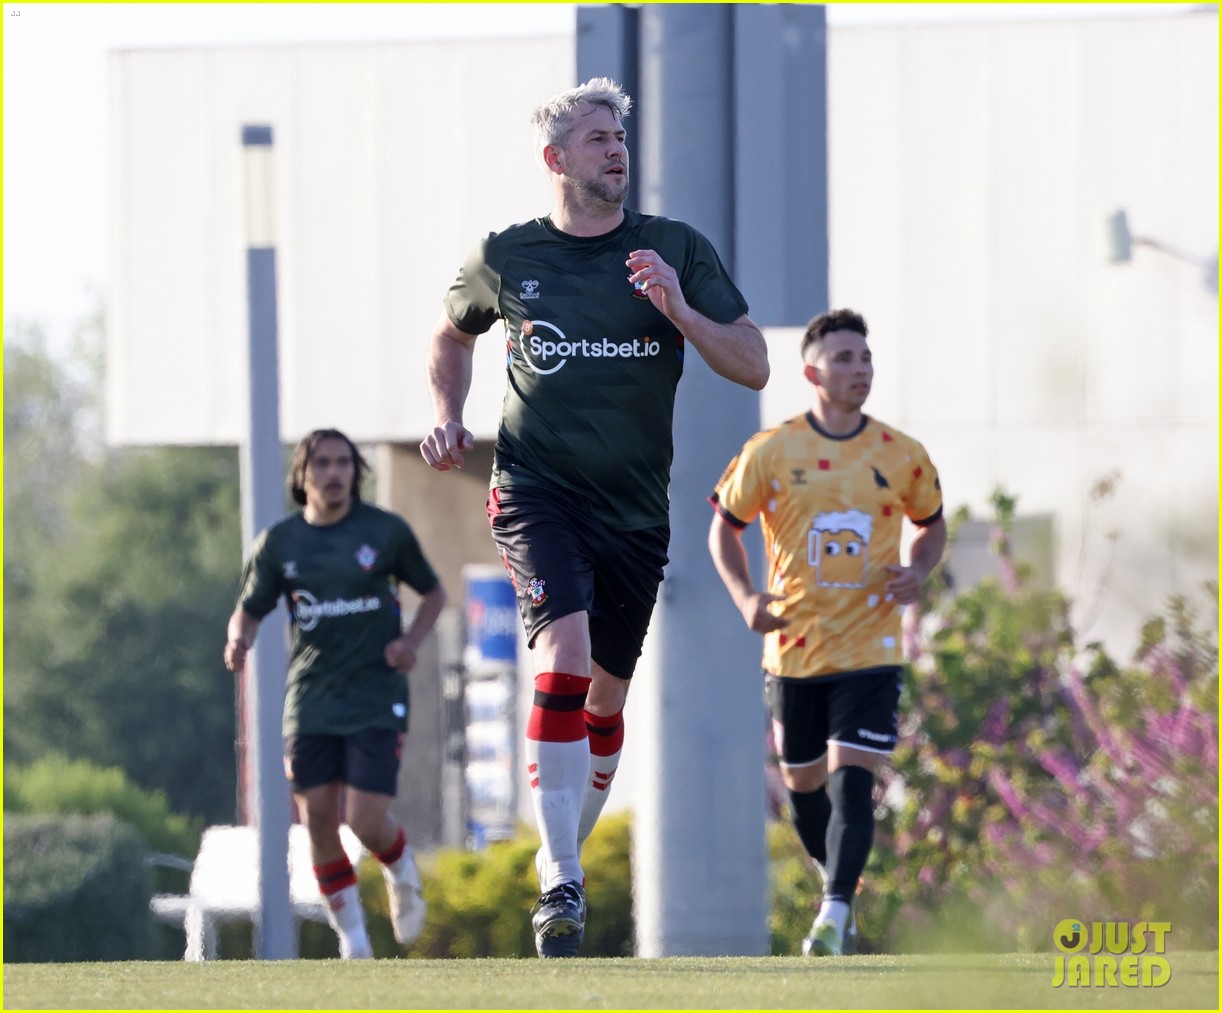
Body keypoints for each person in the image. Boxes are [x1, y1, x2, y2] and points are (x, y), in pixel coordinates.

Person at [419, 77, 769, 958]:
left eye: (620, 137)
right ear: (555, 160)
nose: (616, 150)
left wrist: (679, 310)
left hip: (635, 513)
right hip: (536, 490)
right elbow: (452, 333)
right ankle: (562, 879)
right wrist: (451, 413)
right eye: (596, 139)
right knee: (565, 656)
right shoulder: (507, 255)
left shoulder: (673, 248)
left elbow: (756, 365)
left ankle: (558, 853)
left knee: (606, 696)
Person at [707, 309, 947, 957]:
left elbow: (932, 523)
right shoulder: (771, 450)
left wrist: (918, 569)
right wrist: (746, 595)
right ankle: (837, 889)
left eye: (865, 357)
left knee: (852, 781)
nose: (858, 368)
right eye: (844, 358)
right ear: (812, 371)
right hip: (792, 649)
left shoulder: (901, 454)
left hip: (871, 648)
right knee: (805, 788)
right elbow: (723, 528)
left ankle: (834, 912)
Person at [223, 428, 446, 959]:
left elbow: (433, 593)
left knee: (365, 820)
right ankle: (354, 943)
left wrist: (410, 642)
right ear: (303, 475)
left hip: (375, 693)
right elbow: (249, 608)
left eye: (343, 463)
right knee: (319, 818)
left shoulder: (385, 532)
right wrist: (238, 639)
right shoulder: (280, 543)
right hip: (312, 698)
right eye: (321, 463)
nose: (333, 473)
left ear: (355, 472)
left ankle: (400, 869)